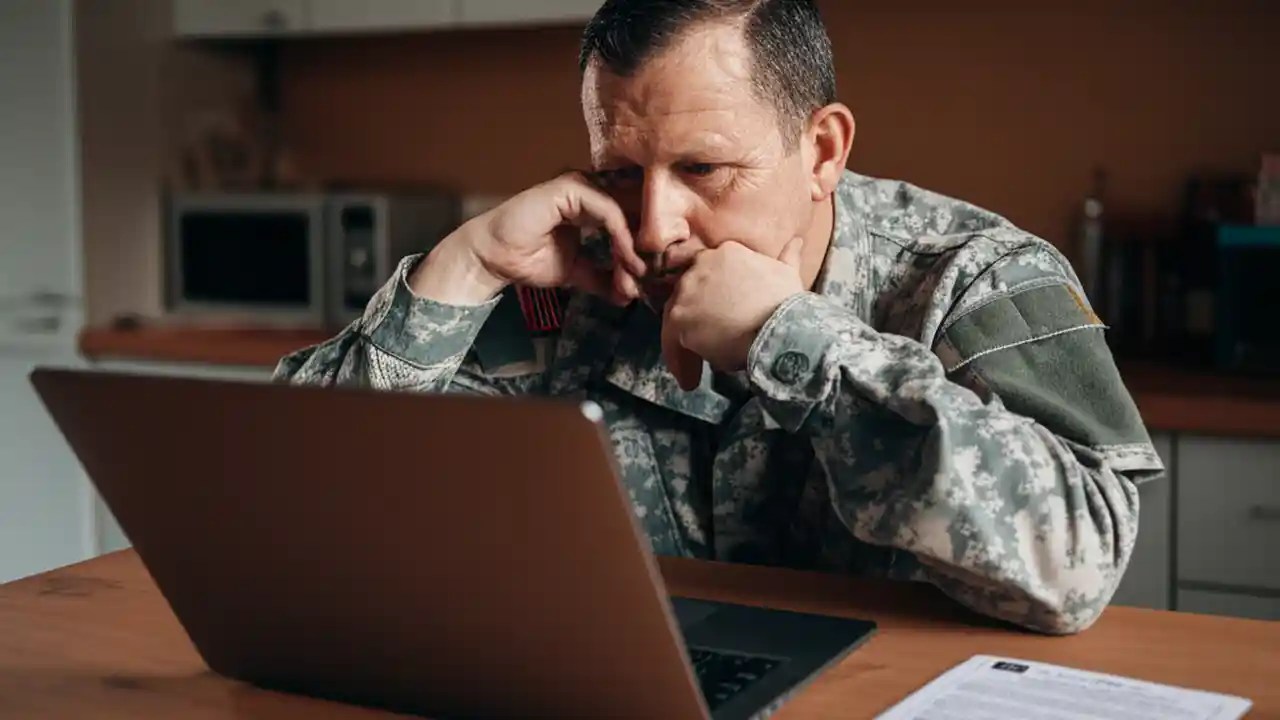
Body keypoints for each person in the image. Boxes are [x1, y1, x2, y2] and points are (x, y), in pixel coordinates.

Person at [275, 0, 1163, 634]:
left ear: (822, 150)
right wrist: (459, 272)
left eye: (702, 170)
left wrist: (793, 337)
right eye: (621, 172)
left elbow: (1079, 566)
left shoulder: (974, 276)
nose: (654, 228)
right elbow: (295, 518)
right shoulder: (574, 275)